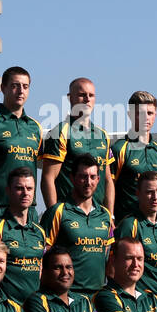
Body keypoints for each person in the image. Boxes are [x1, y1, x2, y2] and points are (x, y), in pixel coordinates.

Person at [38, 153, 114, 298]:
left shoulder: (105, 215)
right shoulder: (58, 211)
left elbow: (107, 256)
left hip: (98, 295)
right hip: (67, 295)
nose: (88, 182)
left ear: (98, 180)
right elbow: (43, 254)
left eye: (92, 177)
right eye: (83, 176)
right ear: (72, 178)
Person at [41, 77, 114, 212]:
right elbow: (48, 178)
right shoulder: (59, 132)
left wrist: (110, 216)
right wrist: (54, 215)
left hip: (98, 217)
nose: (87, 99)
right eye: (82, 95)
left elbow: (108, 180)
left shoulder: (103, 135)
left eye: (91, 95)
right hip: (69, 214)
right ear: (70, 98)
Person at [0, 66, 43, 210]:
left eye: (25, 86)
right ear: (3, 88)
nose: (21, 91)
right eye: (15, 86)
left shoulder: (36, 127)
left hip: (29, 210)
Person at [0, 167, 47, 306]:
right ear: (8, 191)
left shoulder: (40, 232)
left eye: (30, 188)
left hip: (35, 308)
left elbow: (40, 270)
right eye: (19, 188)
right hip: (7, 309)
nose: (25, 193)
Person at [110, 91, 157, 224]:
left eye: (150, 113)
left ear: (155, 115)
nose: (146, 118)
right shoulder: (119, 149)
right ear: (130, 115)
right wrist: (111, 219)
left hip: (155, 228)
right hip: (126, 226)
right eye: (140, 113)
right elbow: (109, 186)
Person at [115, 172, 157, 298]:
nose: (155, 197)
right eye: (149, 192)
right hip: (139, 301)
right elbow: (114, 267)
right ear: (138, 194)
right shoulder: (130, 225)